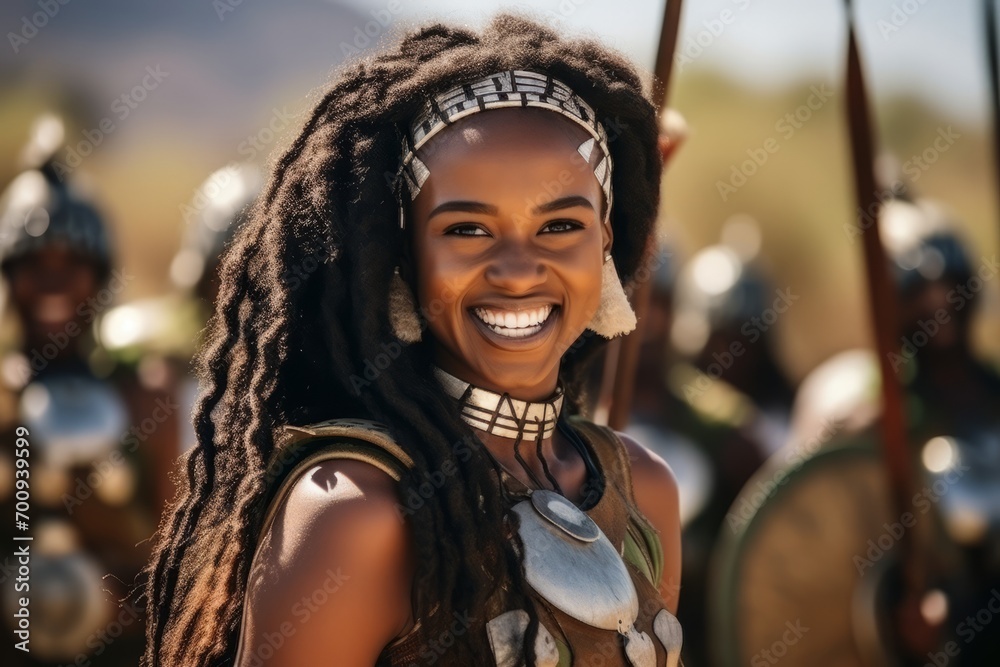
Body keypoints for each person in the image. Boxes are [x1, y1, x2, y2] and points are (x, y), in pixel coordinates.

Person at [140, 14, 684, 667]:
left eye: (560, 224)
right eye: (466, 230)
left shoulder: (645, 488)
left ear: (606, 244)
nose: (516, 270)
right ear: (402, 257)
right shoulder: (355, 515)